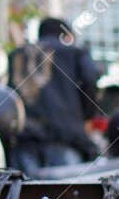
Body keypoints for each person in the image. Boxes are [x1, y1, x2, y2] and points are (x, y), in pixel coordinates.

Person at [8, 17, 102, 171]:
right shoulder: (75, 52)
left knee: (24, 191)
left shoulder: (15, 55)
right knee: (66, 190)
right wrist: (88, 116)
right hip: (64, 138)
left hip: (22, 141)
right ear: (66, 36)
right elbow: (90, 79)